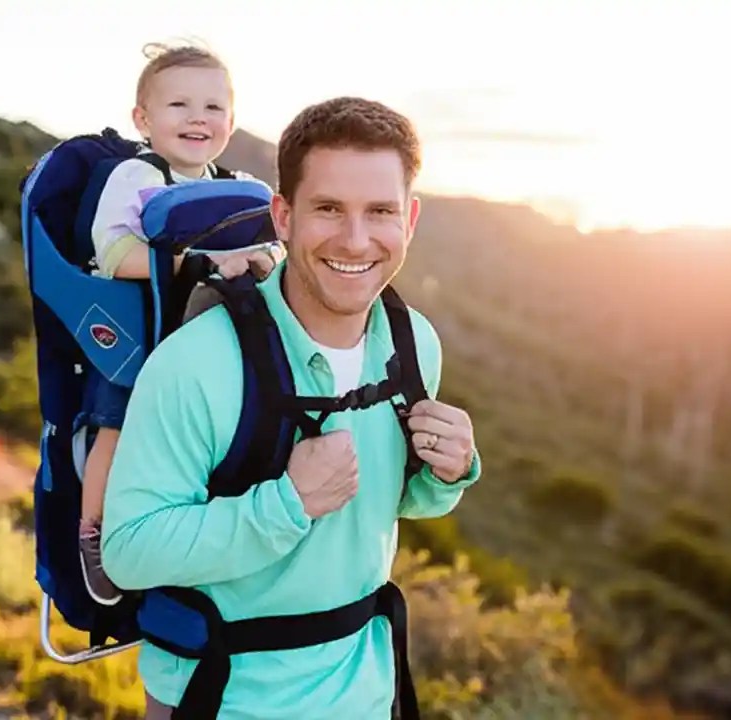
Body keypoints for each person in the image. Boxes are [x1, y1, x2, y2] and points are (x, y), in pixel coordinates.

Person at [100, 96, 483, 718]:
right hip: (223, 696)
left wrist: (448, 471)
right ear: (283, 216)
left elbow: (388, 501)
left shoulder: (413, 344)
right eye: (328, 209)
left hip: (365, 687)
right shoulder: (197, 363)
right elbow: (129, 550)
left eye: (380, 211)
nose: (356, 240)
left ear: (409, 220)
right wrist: (288, 504)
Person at [76, 41, 284, 607]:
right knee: (116, 430)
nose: (198, 118)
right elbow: (116, 254)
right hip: (136, 336)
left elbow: (265, 250)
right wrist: (197, 262)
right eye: (179, 105)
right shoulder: (134, 177)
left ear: (232, 120)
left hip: (212, 345)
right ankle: (94, 531)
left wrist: (266, 261)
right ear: (143, 119)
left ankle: (197, 539)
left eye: (214, 108)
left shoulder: (235, 186)